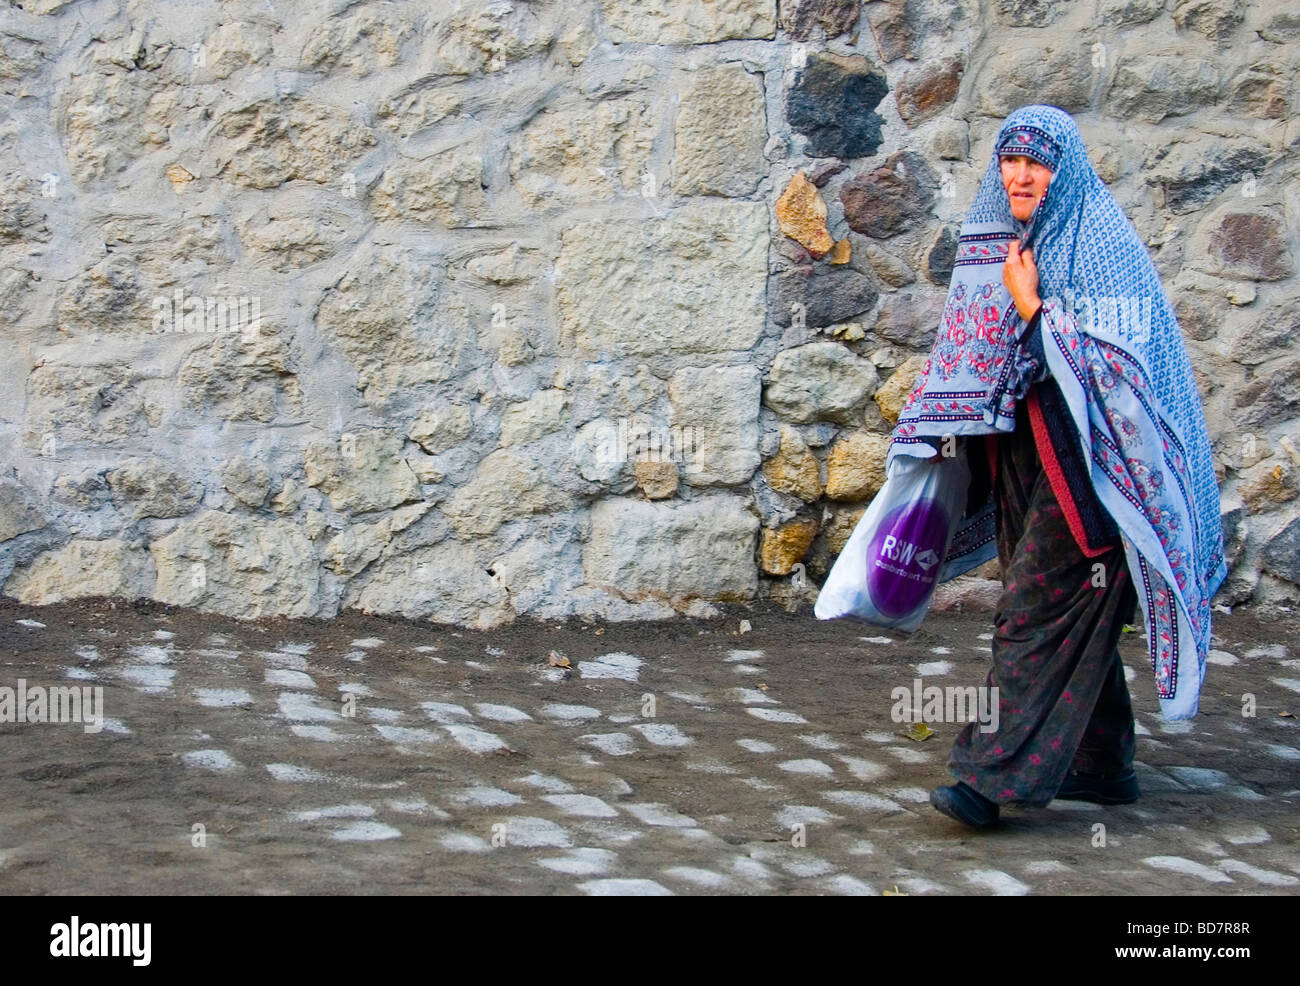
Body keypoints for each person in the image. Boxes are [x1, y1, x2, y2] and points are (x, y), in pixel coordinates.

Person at [884, 104, 1227, 828]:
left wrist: (1033, 309)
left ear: (1062, 171)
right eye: (1009, 160)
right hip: (1033, 456)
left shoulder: (1102, 245)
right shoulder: (1012, 241)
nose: (1019, 174)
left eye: (1035, 162)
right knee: (1072, 609)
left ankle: (988, 778)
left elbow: (1114, 375)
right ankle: (1103, 766)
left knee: (1033, 612)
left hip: (1100, 475)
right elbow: (975, 347)